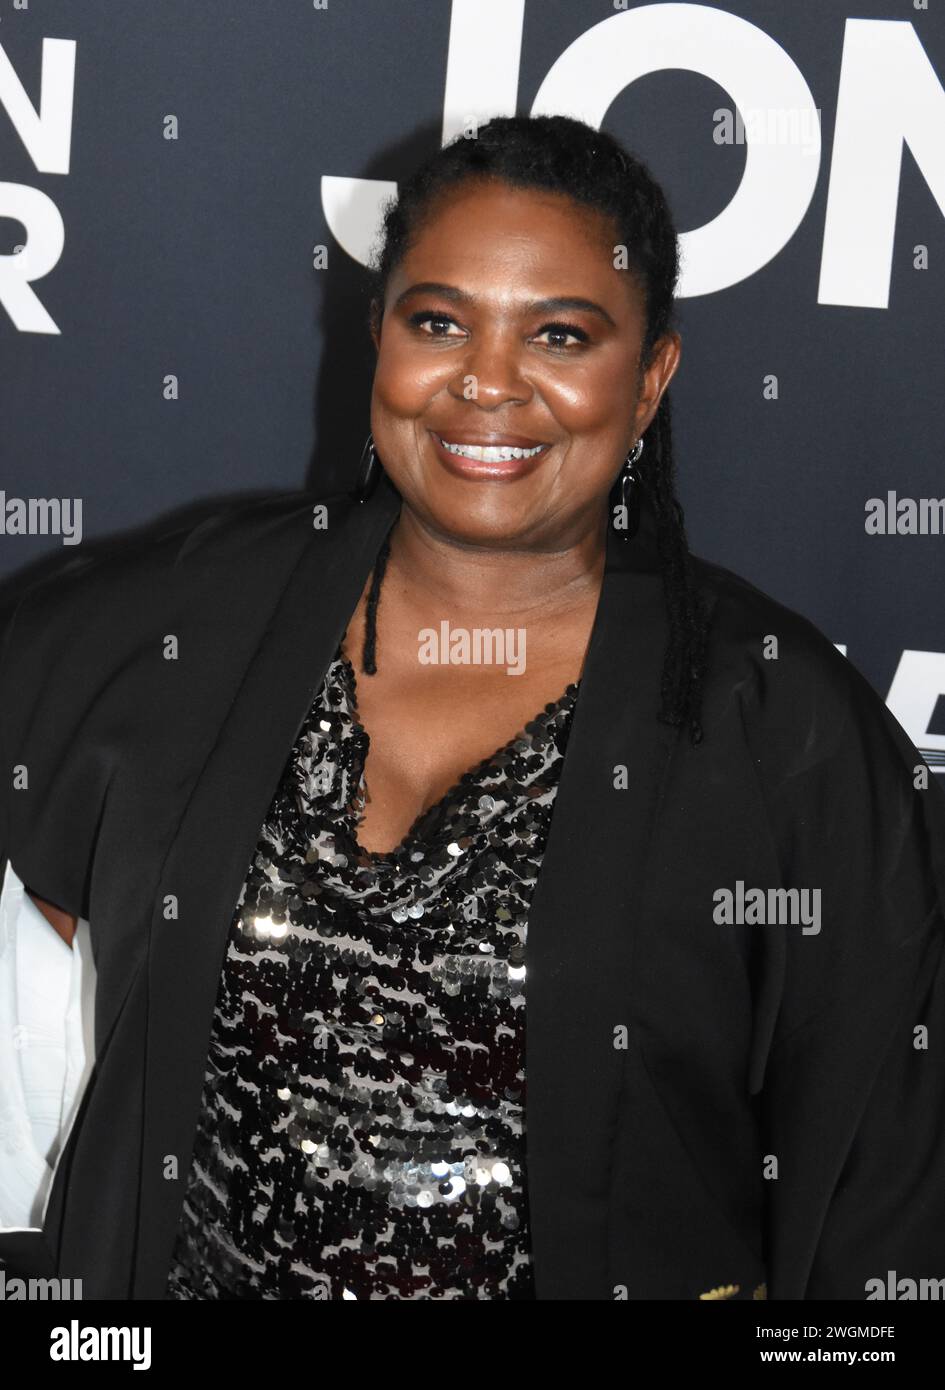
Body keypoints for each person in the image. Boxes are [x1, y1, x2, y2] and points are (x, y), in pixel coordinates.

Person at [1, 114, 944, 1301]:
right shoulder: (184, 624)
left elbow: (884, 1187)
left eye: (561, 334)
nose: (486, 382)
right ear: (379, 338)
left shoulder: (785, 728)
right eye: (437, 321)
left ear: (651, 377)